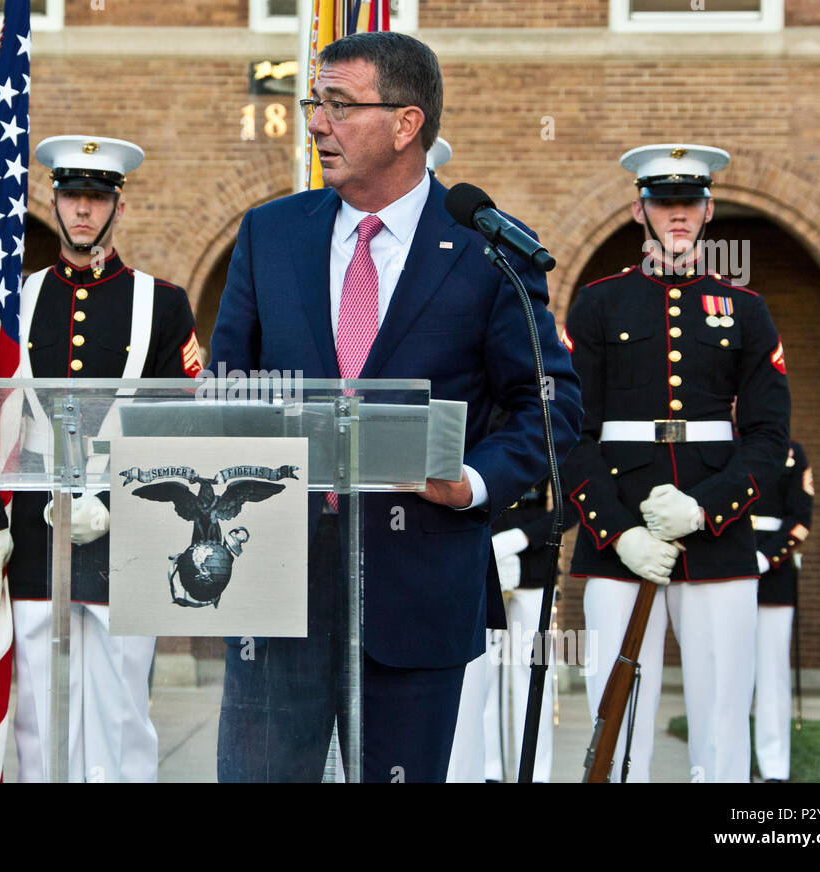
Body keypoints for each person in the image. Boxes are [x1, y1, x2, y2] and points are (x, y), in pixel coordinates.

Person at [209, 31, 581, 783]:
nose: (316, 122)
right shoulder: (268, 235)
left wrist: (469, 481)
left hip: (418, 595)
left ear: (407, 124)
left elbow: (548, 404)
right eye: (316, 103)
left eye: (339, 105)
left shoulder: (488, 252)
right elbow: (224, 390)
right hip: (274, 593)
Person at [0, 135, 202, 782]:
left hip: (131, 534)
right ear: (52, 201)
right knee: (35, 713)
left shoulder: (161, 303)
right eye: (71, 195)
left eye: (96, 197)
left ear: (120, 206)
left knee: (121, 711)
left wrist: (115, 499)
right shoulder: (11, 303)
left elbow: (179, 427)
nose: (82, 210)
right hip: (32, 531)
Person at [563, 143, 791, 783]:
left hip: (717, 533)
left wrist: (704, 506)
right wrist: (619, 531)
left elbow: (770, 435)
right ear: (641, 210)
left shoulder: (746, 310)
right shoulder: (599, 304)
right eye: (664, 201)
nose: (678, 214)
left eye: (689, 200)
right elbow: (573, 433)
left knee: (722, 717)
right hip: (621, 532)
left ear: (709, 208)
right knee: (617, 716)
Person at [448, 477, 572, 782]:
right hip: (481, 551)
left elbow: (573, 503)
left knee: (537, 674)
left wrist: (524, 537)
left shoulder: (544, 428)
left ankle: (536, 773)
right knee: (481, 673)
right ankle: (487, 770)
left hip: (537, 562)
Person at [753, 440, 812, 782]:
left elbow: (800, 518)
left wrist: (766, 557)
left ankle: (774, 767)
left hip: (773, 573)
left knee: (772, 674)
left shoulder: (791, 452)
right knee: (724, 674)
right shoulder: (726, 442)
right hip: (725, 565)